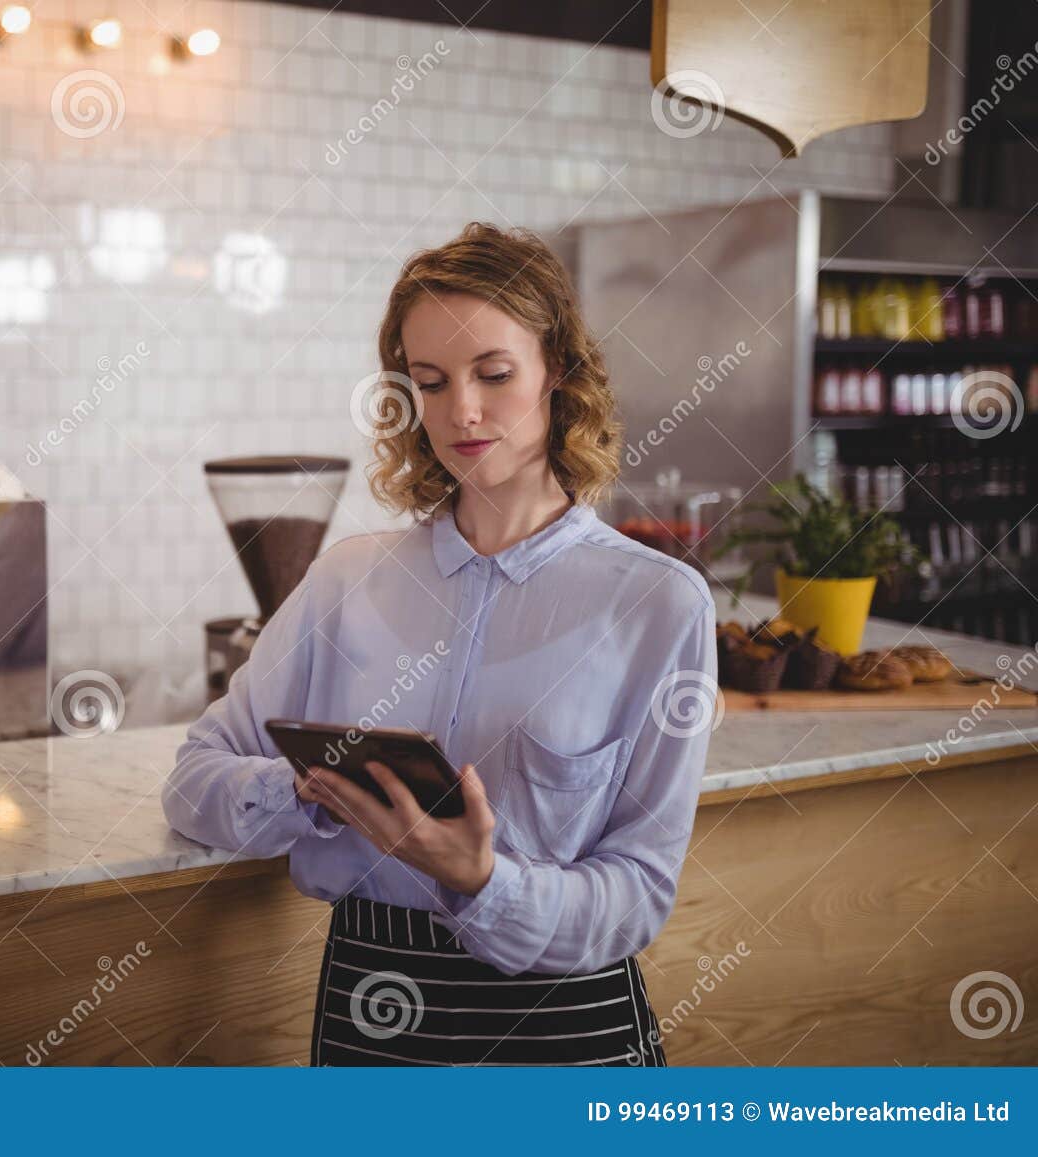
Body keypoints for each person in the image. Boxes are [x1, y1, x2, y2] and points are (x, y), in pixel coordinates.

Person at [162, 222, 718, 1066]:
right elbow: (193, 780)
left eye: (494, 374)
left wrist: (485, 882)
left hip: (565, 1032)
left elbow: (638, 891)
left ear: (558, 371)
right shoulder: (345, 581)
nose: (462, 411)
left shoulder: (658, 603)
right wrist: (309, 790)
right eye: (430, 381)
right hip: (371, 1022)